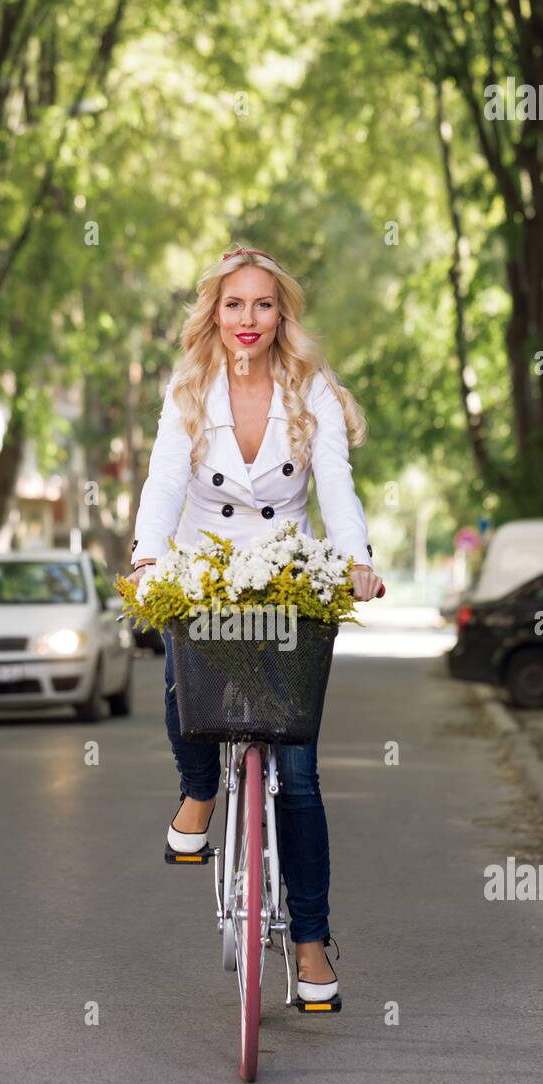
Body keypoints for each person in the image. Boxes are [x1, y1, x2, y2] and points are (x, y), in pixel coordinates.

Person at [127, 245, 382, 1001]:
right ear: (214, 311)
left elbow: (335, 489)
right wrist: (147, 560)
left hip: (286, 576)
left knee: (298, 778)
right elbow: (163, 483)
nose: (248, 319)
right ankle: (199, 789)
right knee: (184, 679)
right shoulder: (187, 392)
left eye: (263, 305)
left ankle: (309, 947)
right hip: (204, 570)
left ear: (282, 315)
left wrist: (356, 561)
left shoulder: (314, 394)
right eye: (233, 304)